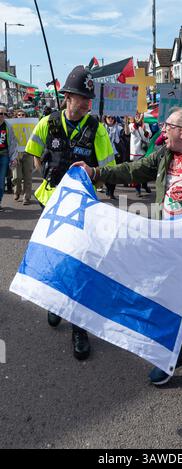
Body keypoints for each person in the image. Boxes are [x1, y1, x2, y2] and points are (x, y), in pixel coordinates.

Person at [72, 106, 182, 409]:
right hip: (167, 251)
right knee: (167, 307)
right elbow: (132, 169)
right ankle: (174, 356)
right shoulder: (164, 156)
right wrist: (96, 173)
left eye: (167, 126)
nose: (162, 130)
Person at [25, 65, 116, 360]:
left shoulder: (96, 128)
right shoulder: (47, 123)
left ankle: (79, 328)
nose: (87, 102)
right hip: (51, 202)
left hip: (82, 207)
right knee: (55, 259)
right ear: (67, 97)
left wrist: (91, 180)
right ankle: (56, 302)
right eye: (81, 96)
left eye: (88, 97)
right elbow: (35, 157)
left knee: (78, 265)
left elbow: (107, 168)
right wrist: (52, 177)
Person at [12, 109, 33, 205]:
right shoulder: (11, 126)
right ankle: (17, 191)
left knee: (28, 177)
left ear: (26, 116)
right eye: (19, 115)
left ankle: (26, 197)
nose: (21, 116)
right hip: (16, 154)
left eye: (23, 114)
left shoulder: (31, 126)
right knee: (17, 177)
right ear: (16, 116)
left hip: (28, 153)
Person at [129, 112, 152, 196]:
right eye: (136, 114)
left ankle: (145, 185)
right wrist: (139, 121)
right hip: (136, 151)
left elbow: (149, 135)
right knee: (136, 171)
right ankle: (137, 189)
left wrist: (145, 129)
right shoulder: (131, 124)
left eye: (139, 114)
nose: (137, 115)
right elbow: (133, 129)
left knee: (145, 170)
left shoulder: (145, 124)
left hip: (145, 151)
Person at [0, 105, 17, 211]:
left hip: (4, 155)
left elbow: (13, 142)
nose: (1, 116)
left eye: (3, 114)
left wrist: (13, 157)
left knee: (1, 180)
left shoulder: (8, 126)